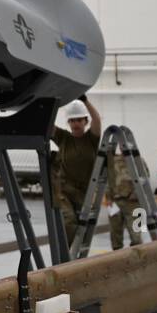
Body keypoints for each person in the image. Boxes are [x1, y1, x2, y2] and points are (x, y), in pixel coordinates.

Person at [48, 96, 102, 248]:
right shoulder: (64, 138)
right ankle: (64, 257)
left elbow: (97, 120)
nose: (75, 123)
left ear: (85, 121)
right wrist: (53, 102)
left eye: (79, 120)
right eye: (72, 120)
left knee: (82, 229)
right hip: (64, 190)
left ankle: (73, 259)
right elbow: (48, 125)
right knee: (69, 221)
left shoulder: (92, 139)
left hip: (85, 192)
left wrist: (85, 101)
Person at [105, 140, 144, 251]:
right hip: (115, 202)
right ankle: (118, 258)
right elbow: (108, 180)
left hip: (134, 202)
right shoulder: (113, 161)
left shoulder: (138, 161)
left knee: (137, 235)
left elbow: (145, 179)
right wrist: (108, 197)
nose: (123, 147)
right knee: (115, 234)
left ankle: (138, 258)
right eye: (122, 145)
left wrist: (137, 193)